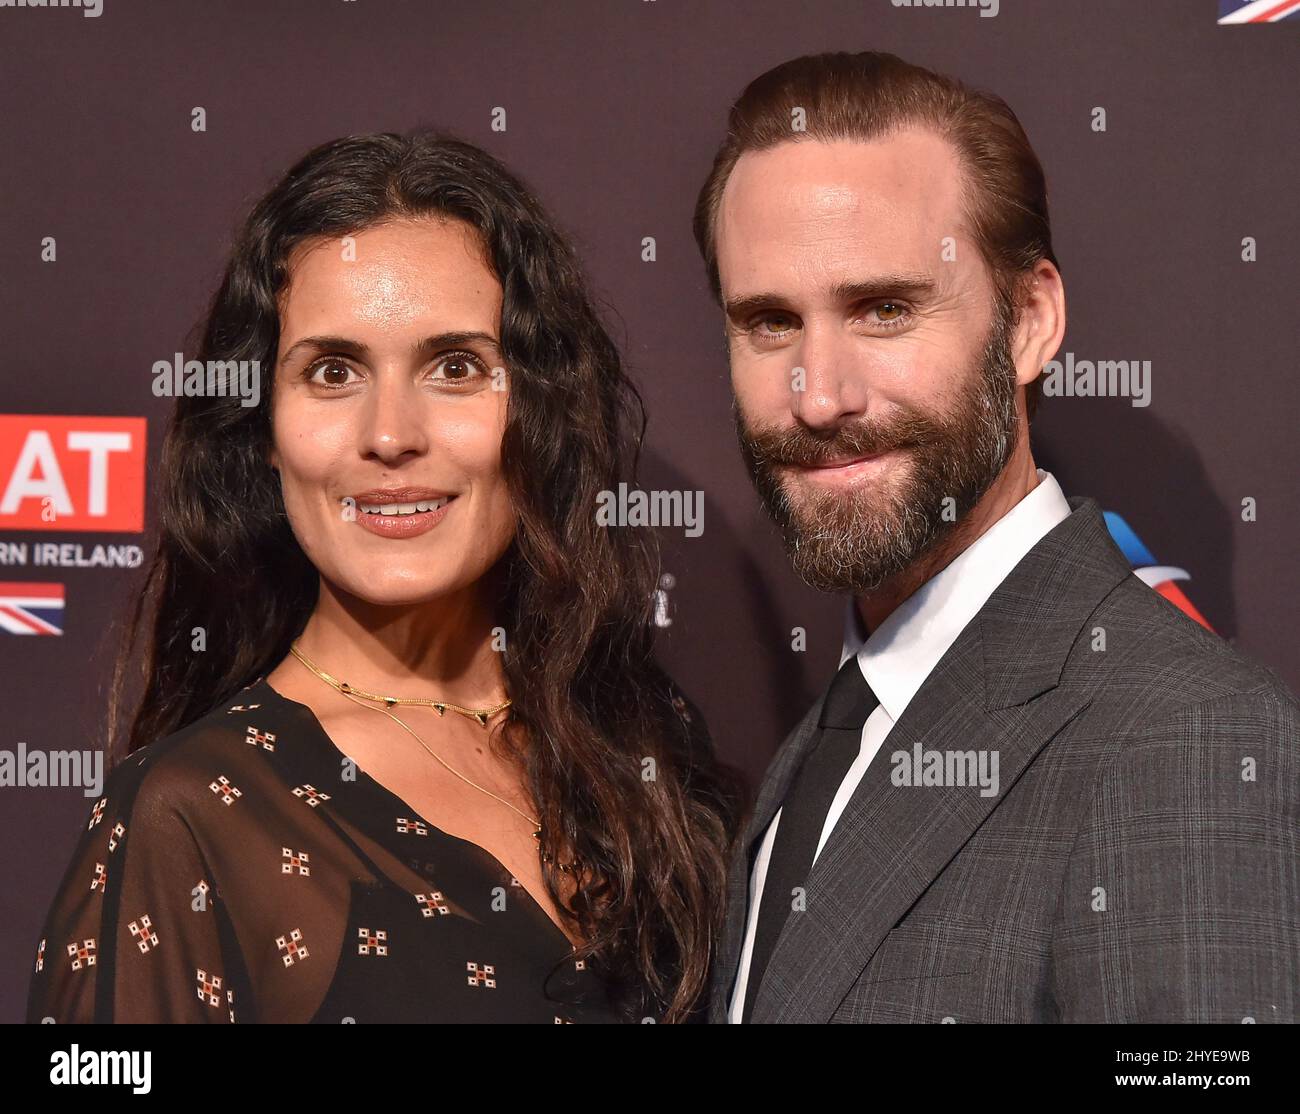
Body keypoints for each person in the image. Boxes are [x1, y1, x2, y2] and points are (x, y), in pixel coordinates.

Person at [27, 131, 742, 1024]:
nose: (391, 433)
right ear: (264, 428)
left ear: (540, 413)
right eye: (332, 372)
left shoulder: (644, 744)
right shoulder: (189, 819)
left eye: (455, 367)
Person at [692, 51, 1298, 1023]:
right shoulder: (826, 737)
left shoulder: (1182, 737)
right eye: (768, 322)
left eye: (883, 309)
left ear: (1028, 321)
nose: (819, 394)